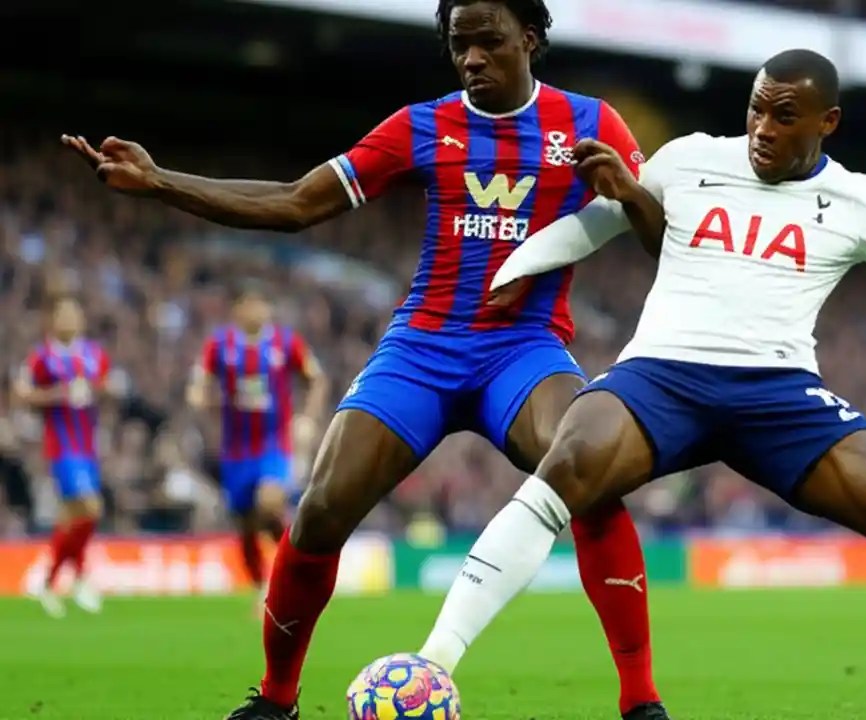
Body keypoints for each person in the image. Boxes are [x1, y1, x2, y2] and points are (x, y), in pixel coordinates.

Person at [418, 49, 866, 720]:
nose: (762, 128)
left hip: (780, 395)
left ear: (828, 123)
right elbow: (590, 227)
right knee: (565, 466)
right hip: (662, 374)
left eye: (784, 116)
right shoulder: (691, 157)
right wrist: (518, 268)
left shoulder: (861, 201)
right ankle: (434, 666)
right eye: (756, 109)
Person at [61, 1, 670, 718]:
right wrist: (162, 181)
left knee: (590, 478)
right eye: (458, 45)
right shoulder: (422, 125)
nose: (471, 58)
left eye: (488, 42)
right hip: (423, 347)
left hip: (526, 349)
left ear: (529, 39)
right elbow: (295, 202)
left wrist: (631, 195)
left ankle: (641, 703)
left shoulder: (594, 124)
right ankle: (276, 699)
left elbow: (666, 245)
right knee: (319, 510)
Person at [187, 282, 327, 611]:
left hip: (274, 444)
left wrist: (308, 418)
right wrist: (199, 394)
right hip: (236, 451)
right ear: (237, 310)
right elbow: (200, 382)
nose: (257, 311)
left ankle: (295, 575)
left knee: (270, 502)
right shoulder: (220, 345)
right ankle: (261, 587)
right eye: (250, 305)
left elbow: (316, 379)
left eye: (262, 304)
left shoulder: (286, 342)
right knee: (247, 526)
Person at [13, 295, 114, 618]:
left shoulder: (92, 354)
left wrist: (101, 390)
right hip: (62, 445)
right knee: (91, 505)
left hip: (88, 446)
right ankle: (81, 577)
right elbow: (21, 392)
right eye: (64, 315)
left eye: (75, 313)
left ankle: (48, 581)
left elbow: (107, 386)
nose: (71, 320)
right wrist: (57, 394)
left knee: (73, 517)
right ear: (52, 321)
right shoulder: (42, 358)